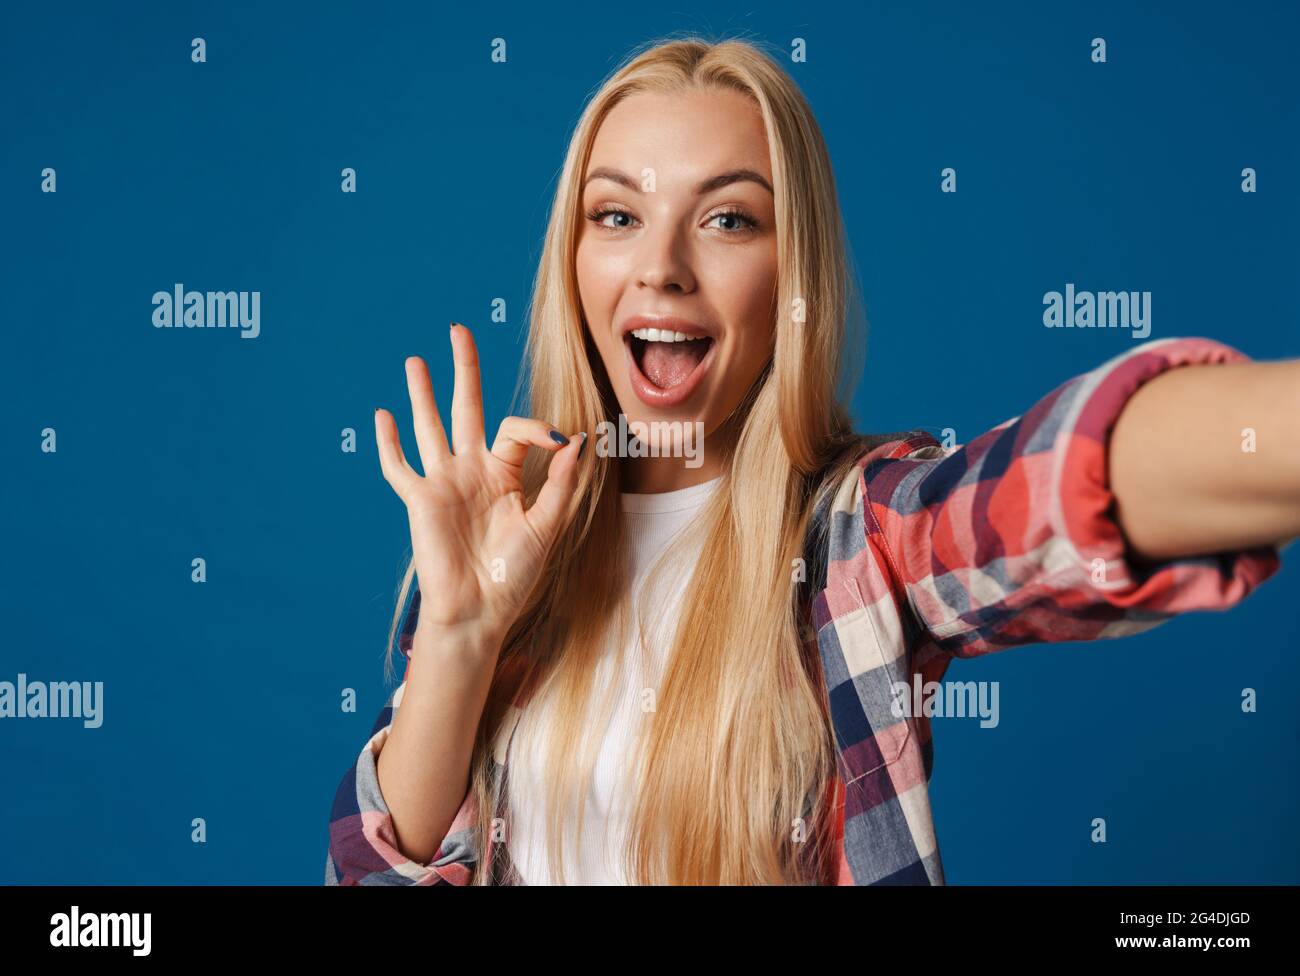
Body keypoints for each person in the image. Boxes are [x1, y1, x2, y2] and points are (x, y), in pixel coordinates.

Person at [326, 36, 1293, 885]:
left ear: (795, 275)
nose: (659, 264)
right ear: (572, 260)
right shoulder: (510, 539)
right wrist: (459, 630)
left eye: (729, 219)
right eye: (616, 215)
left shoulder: (857, 541)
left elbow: (1051, 488)